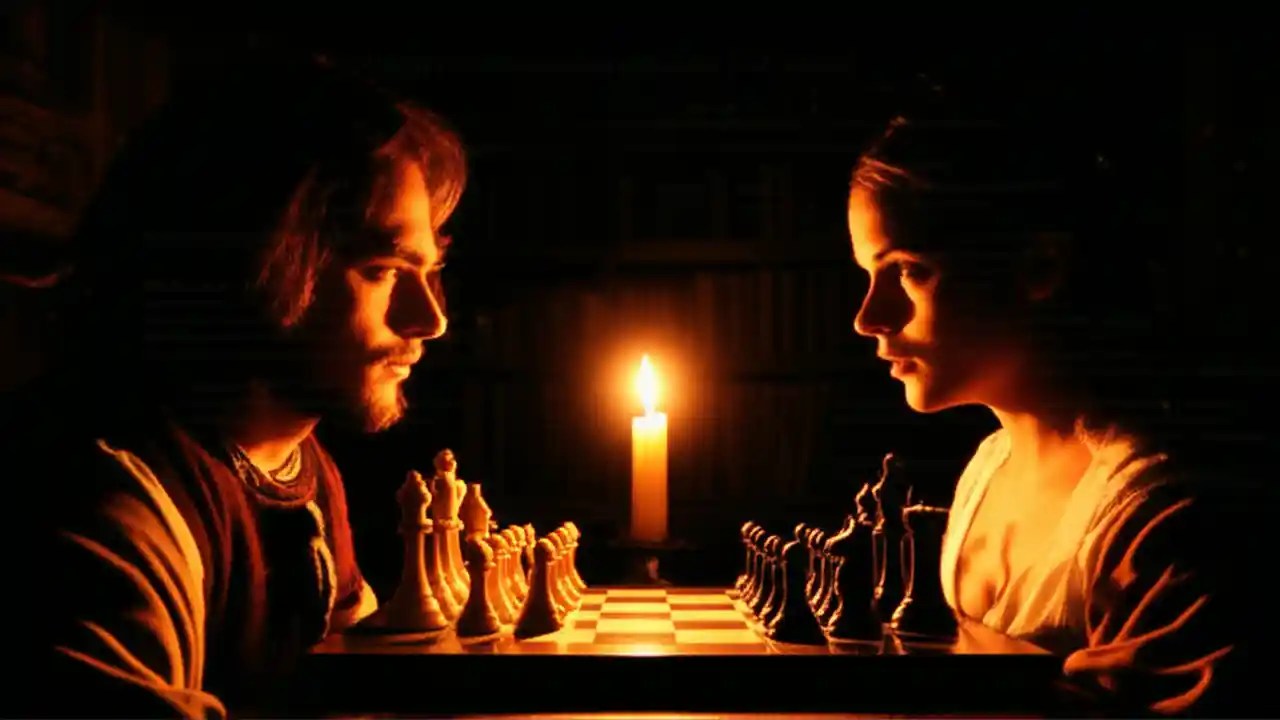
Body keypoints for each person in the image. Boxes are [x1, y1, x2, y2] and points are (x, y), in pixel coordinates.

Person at [4, 57, 466, 718]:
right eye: (384, 269)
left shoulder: (298, 466)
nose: (432, 319)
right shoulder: (101, 499)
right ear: (261, 256)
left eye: (430, 270)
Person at [846, 102, 1269, 716]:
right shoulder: (988, 467)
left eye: (909, 270)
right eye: (868, 273)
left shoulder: (1157, 518)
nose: (868, 318)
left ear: (1040, 267)